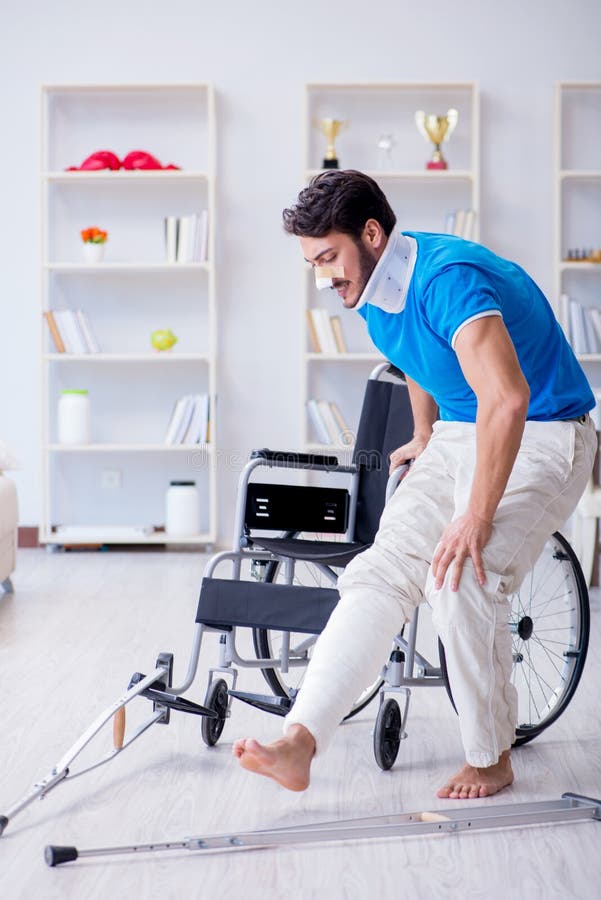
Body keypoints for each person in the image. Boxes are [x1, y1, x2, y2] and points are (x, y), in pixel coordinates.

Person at [233, 169, 597, 799]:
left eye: (329, 257)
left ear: (372, 234)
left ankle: (490, 757)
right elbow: (416, 359)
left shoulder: (447, 278)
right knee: (378, 574)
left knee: (460, 573)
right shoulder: (375, 287)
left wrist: (474, 517)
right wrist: (425, 431)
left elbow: (509, 400)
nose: (324, 277)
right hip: (461, 430)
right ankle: (301, 740)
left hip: (543, 430)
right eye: (312, 262)